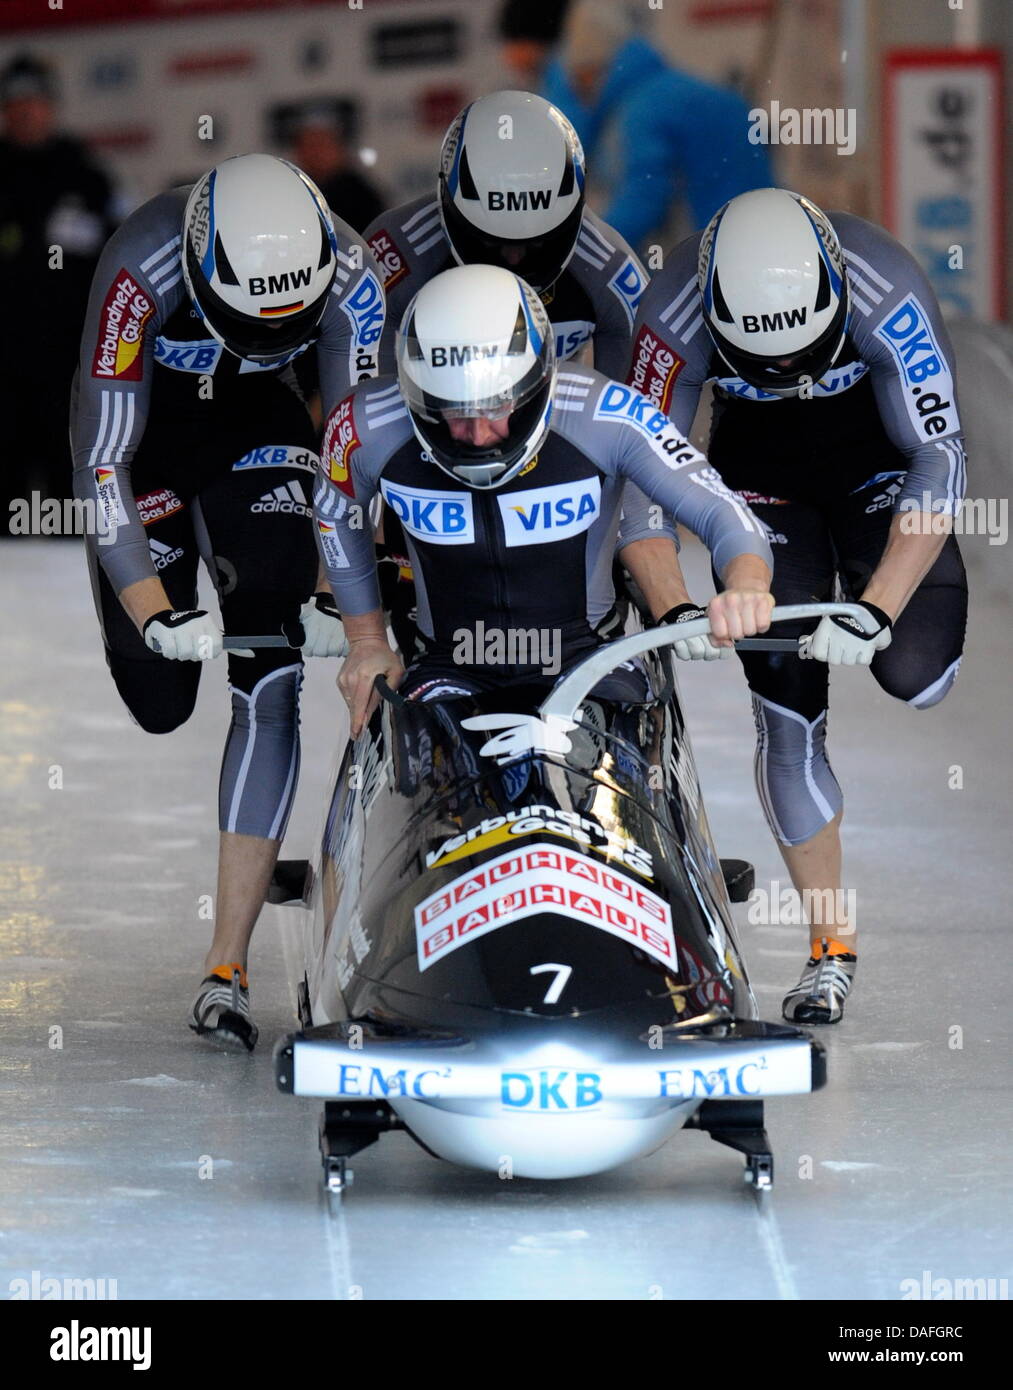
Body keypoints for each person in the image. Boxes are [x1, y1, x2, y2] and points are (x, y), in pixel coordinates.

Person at [628, 186, 968, 1023]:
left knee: (917, 672)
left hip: (876, 467)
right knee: (783, 701)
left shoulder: (885, 285)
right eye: (762, 363)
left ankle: (884, 609)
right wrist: (674, 606)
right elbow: (637, 481)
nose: (785, 374)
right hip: (757, 480)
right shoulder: (669, 312)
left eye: (802, 356)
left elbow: (938, 455)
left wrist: (880, 606)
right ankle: (828, 946)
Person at [70, 153, 385, 1050]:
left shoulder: (353, 277)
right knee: (160, 699)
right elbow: (99, 462)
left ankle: (225, 962)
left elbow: (353, 443)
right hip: (150, 444)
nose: (266, 330)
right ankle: (149, 634)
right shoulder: (141, 267)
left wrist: (334, 589)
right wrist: (150, 610)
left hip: (262, 433)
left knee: (270, 660)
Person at [312, 262, 775, 741]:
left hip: (591, 665)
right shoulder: (364, 424)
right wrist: (365, 640)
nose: (478, 434)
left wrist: (747, 584)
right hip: (447, 667)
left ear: (535, 381)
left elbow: (722, 509)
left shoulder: (607, 413)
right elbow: (336, 517)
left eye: (495, 406)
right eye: (452, 412)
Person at [363, 89, 696, 654]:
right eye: (491, 244)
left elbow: (642, 434)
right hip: (440, 438)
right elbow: (363, 419)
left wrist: (654, 562)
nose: (514, 260)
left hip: (552, 437)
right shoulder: (391, 261)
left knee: (586, 594)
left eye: (536, 245)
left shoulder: (612, 275)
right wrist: (364, 561)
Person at [542, 1, 773, 248]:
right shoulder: (670, 88)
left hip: (720, 243)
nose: (581, 94)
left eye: (580, 80)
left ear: (594, 70)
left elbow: (645, 194)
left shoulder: (642, 109)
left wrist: (589, 248)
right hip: (764, 228)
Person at [0, 52, 117, 522]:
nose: (26, 111)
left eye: (35, 101)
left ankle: (75, 594)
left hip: (67, 367)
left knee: (69, 503)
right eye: (15, 103)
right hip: (4, 368)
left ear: (51, 105)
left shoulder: (85, 174)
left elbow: (119, 265)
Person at [288, 105, 385, 235]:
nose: (315, 153)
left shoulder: (362, 197)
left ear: (340, 148)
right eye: (307, 145)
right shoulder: (289, 191)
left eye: (322, 144)